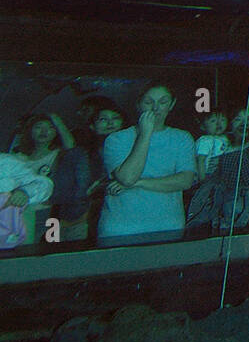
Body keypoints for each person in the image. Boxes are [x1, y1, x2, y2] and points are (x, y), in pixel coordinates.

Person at [100, 84, 197, 241]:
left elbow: (185, 181)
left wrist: (139, 183)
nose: (156, 108)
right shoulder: (117, 139)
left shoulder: (182, 138)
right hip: (121, 228)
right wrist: (145, 134)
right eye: (149, 102)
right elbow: (127, 178)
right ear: (138, 104)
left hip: (168, 226)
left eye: (163, 102)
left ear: (172, 104)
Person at [50, 98, 125, 241]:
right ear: (92, 125)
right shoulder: (77, 155)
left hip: (123, 221)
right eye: (103, 119)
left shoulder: (136, 154)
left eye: (115, 118)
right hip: (79, 223)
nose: (110, 123)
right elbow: (59, 194)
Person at [12, 113, 75, 180]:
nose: (44, 131)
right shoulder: (19, 157)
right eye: (38, 127)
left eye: (50, 127)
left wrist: (58, 121)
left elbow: (71, 147)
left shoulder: (57, 155)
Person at [195, 110, 231, 183]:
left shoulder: (226, 138)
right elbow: (200, 161)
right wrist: (202, 179)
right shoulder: (205, 140)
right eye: (213, 121)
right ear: (203, 126)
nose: (218, 123)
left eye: (222, 120)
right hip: (208, 175)